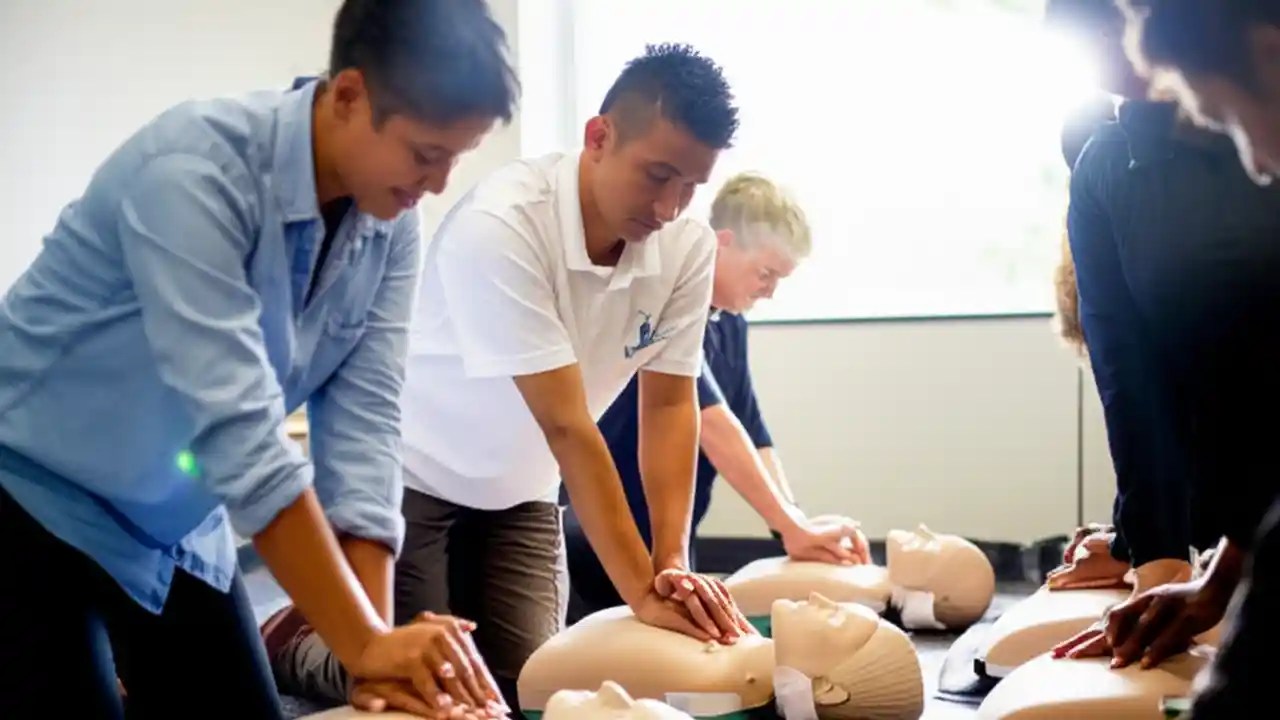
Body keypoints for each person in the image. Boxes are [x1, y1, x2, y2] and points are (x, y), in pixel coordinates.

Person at [0, 1, 518, 718]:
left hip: (173, 522)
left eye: (454, 159)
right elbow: (239, 435)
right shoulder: (192, 171)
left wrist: (368, 655)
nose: (437, 184)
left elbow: (366, 423)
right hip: (34, 499)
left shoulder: (391, 222)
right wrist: (366, 643)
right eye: (427, 154)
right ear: (348, 96)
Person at [260, 43, 755, 714]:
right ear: (599, 137)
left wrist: (671, 560)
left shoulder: (686, 248)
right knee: (414, 688)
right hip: (413, 480)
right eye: (657, 175)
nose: (671, 207)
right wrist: (640, 591)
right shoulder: (504, 225)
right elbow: (568, 425)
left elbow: (669, 406)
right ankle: (293, 640)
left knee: (530, 689)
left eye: (691, 185)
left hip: (522, 494)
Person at [1043, 0, 1280, 666]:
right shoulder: (1103, 166)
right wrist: (1159, 554)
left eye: (1231, 121)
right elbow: (1127, 374)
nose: (1258, 165)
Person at [563, 172, 870, 622]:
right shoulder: (664, 305)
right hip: (601, 535)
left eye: (780, 279)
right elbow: (713, 425)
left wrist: (792, 523)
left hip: (669, 539)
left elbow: (752, 432)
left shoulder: (730, 325)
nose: (769, 290)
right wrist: (791, 527)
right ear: (721, 244)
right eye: (765, 273)